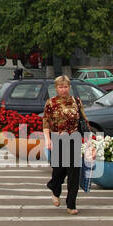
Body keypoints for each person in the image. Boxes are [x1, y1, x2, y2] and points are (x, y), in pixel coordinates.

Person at [42, 74, 87, 215]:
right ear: (56, 88)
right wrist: (48, 139)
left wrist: (89, 139)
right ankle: (54, 188)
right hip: (58, 139)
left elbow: (84, 120)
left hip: (74, 138)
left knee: (74, 173)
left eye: (66, 87)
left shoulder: (76, 101)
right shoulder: (51, 102)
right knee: (59, 170)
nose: (63, 89)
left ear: (69, 87)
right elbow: (46, 122)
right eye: (60, 87)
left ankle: (71, 204)